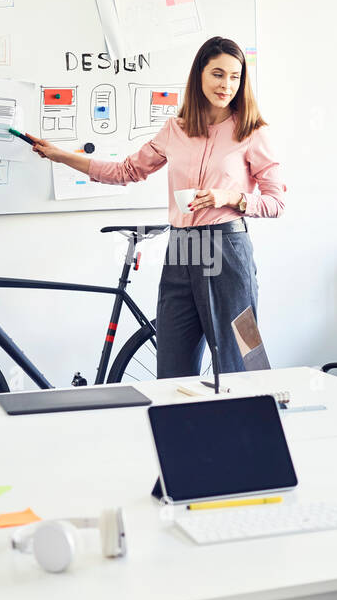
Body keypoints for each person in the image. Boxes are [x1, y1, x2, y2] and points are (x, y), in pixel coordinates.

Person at [29, 36, 285, 377]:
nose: (226, 85)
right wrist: (60, 155)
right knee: (172, 368)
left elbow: (276, 201)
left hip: (228, 250)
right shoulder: (176, 129)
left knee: (244, 360)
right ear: (200, 75)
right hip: (182, 249)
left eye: (235, 77)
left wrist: (231, 197)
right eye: (218, 74)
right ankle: (182, 428)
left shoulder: (252, 131)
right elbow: (126, 171)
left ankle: (251, 424)